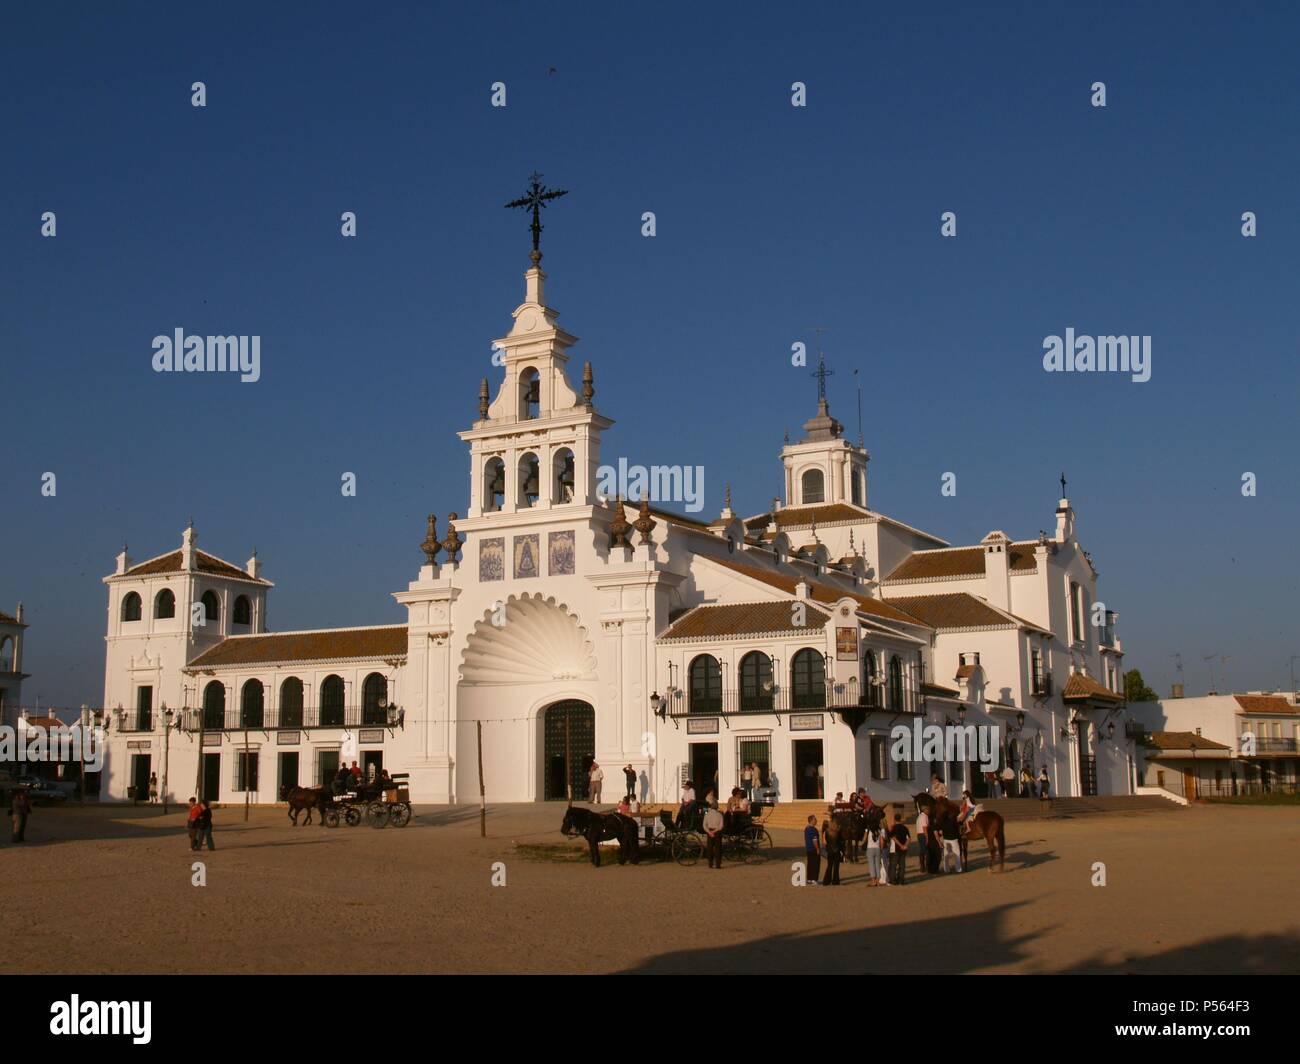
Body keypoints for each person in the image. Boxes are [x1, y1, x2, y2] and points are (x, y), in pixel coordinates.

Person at [937, 805, 962, 873]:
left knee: (946, 855)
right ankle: (958, 868)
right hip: (953, 839)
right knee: (957, 853)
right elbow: (958, 826)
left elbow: (940, 831)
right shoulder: (953, 821)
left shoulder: (942, 823)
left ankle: (946, 869)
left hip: (946, 839)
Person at [888, 813, 910, 885]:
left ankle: (893, 881)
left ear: (894, 819)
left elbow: (893, 837)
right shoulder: (905, 828)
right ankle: (901, 880)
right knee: (902, 866)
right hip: (903, 849)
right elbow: (909, 838)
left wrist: (900, 845)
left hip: (895, 849)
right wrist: (904, 845)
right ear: (900, 819)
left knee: (893, 866)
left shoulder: (893, 828)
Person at [821, 819, 842, 886]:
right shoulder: (838, 832)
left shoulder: (827, 832)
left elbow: (825, 842)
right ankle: (835, 881)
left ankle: (826, 881)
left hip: (830, 850)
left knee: (829, 866)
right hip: (837, 850)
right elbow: (840, 841)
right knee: (836, 866)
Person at [703, 803, 725, 869]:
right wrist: (714, 831)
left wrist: (709, 832)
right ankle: (718, 864)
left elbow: (704, 825)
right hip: (717, 832)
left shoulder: (707, 815)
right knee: (718, 849)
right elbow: (721, 826)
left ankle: (710, 864)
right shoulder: (720, 815)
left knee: (710, 848)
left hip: (709, 831)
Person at [864, 815, 884, 886]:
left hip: (870, 848)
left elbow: (864, 839)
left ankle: (873, 881)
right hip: (877, 848)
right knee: (877, 865)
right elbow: (882, 841)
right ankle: (878, 881)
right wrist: (881, 849)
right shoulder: (879, 831)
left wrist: (863, 843)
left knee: (871, 865)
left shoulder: (868, 830)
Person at [804, 814, 821, 885]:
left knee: (810, 864)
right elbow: (815, 840)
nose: (816, 820)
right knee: (815, 864)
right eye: (815, 819)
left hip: (808, 849)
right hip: (814, 849)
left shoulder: (806, 829)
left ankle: (809, 878)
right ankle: (814, 879)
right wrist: (817, 849)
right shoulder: (814, 830)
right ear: (811, 821)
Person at [915, 805, 930, 876]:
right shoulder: (924, 817)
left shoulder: (919, 816)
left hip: (919, 834)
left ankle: (922, 867)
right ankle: (925, 867)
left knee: (922, 851)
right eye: (928, 809)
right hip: (923, 835)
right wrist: (927, 837)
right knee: (926, 851)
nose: (929, 811)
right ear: (925, 810)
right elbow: (924, 828)